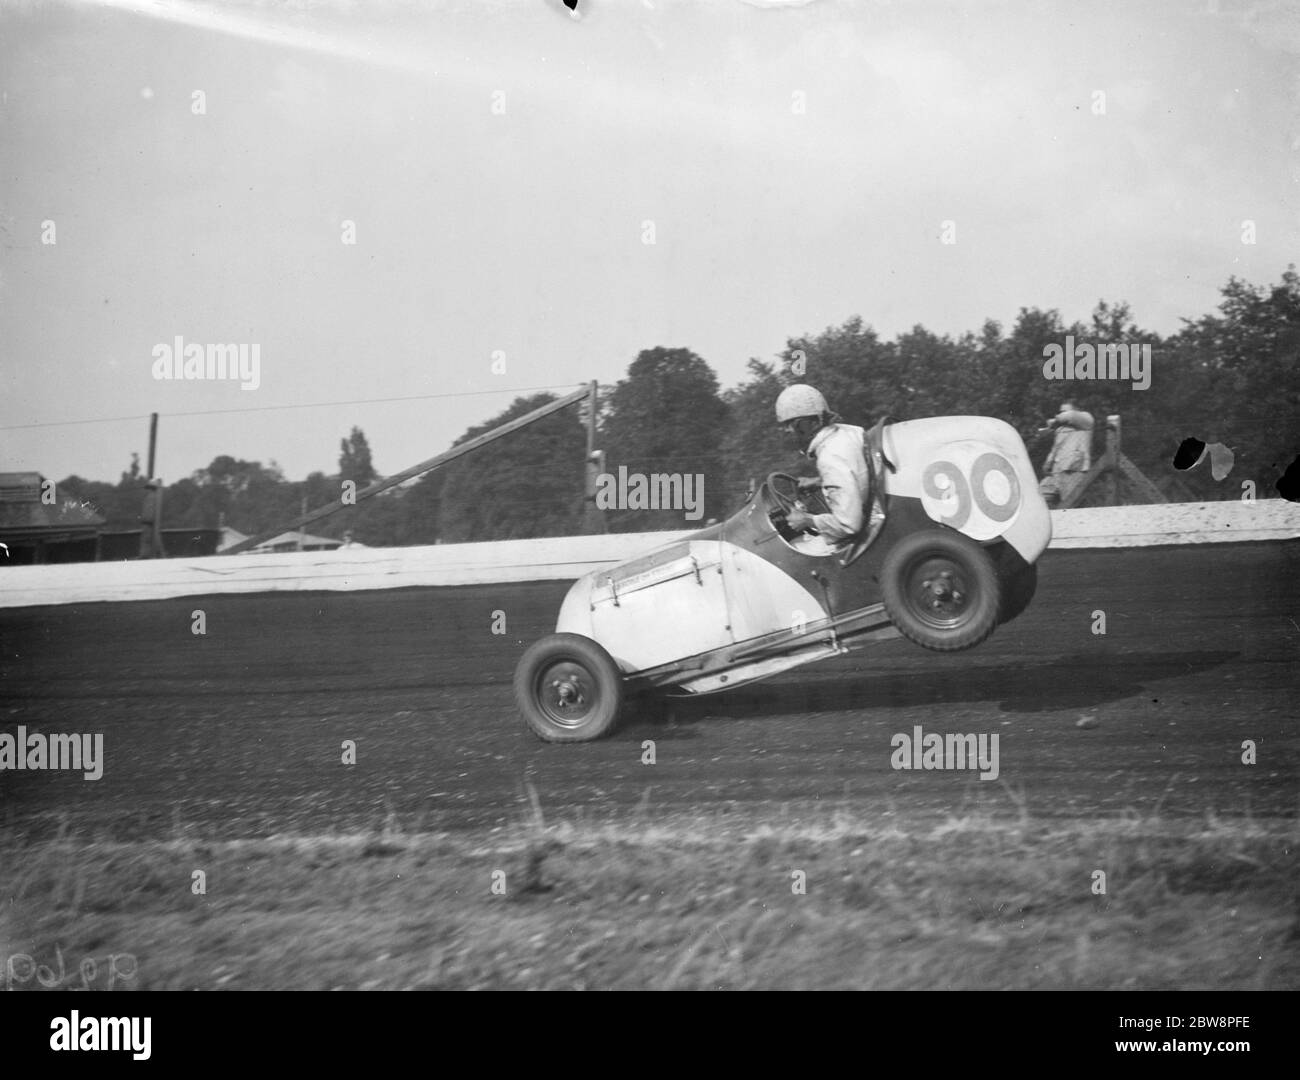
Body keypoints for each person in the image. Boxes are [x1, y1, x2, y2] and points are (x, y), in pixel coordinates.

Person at [774, 384, 871, 547]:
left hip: (865, 535)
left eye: (788, 426)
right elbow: (857, 472)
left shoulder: (829, 457)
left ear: (802, 425)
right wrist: (820, 482)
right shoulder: (848, 432)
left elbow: (849, 526)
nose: (787, 432)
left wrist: (807, 520)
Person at [1037, 401, 1094, 506]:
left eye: (1064, 411)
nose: (1060, 414)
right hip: (1055, 473)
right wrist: (1048, 464)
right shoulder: (1060, 429)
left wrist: (1055, 420)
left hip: (1073, 472)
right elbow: (1056, 449)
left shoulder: (1085, 420)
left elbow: (1071, 415)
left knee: (1071, 506)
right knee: (1037, 498)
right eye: (1060, 412)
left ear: (1076, 410)